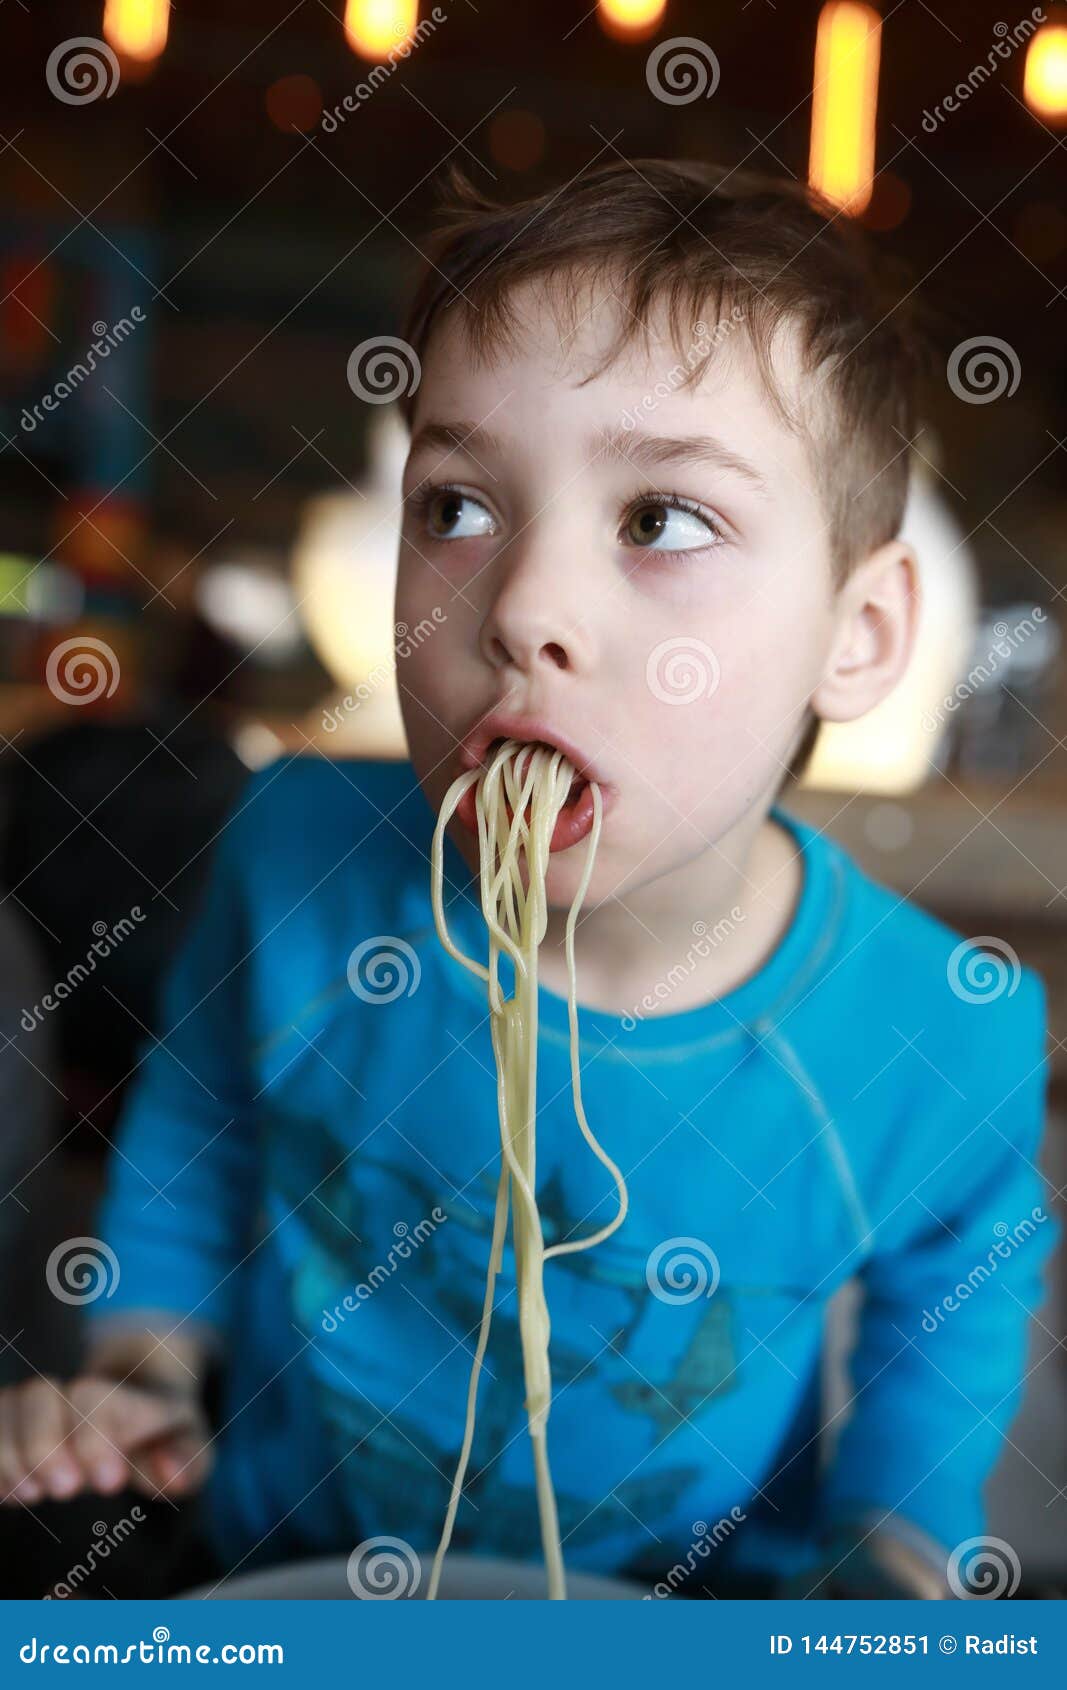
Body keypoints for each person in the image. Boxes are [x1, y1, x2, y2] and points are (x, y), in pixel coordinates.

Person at [0, 160, 1057, 1600]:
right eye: (455, 506)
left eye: (662, 519)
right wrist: (145, 1367)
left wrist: (895, 1548)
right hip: (276, 1575)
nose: (524, 610)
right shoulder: (293, 850)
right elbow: (204, 1124)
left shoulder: (943, 1027)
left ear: (858, 633)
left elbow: (952, 1312)